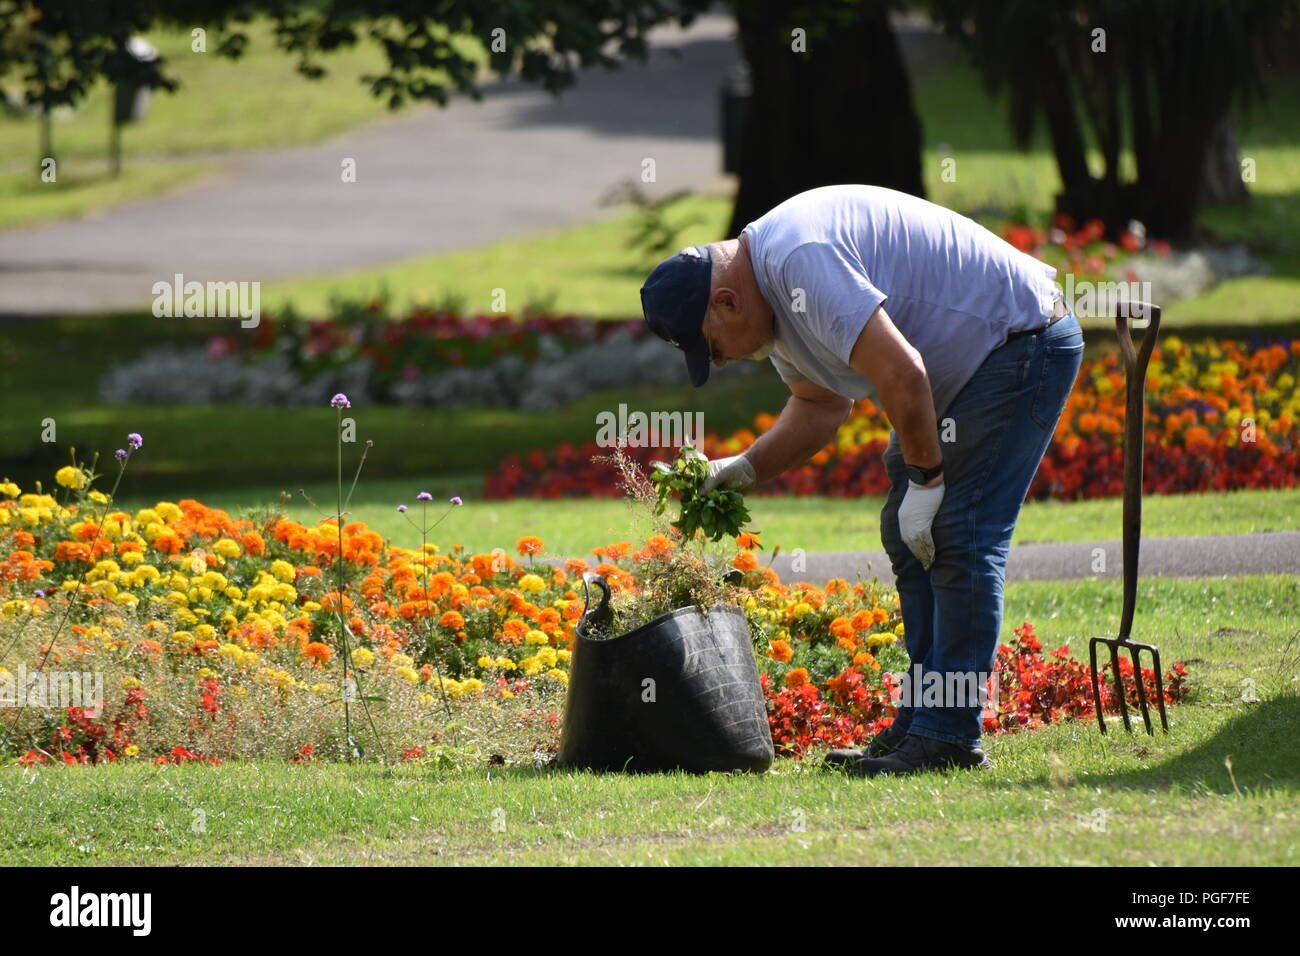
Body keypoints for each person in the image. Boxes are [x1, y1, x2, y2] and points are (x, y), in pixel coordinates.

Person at [638, 184, 1083, 776]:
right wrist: (743, 468)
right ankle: (923, 721)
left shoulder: (799, 261)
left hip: (1018, 341)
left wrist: (927, 483)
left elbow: (901, 370)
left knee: (959, 535)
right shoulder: (771, 302)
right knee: (907, 537)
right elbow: (820, 406)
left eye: (711, 348)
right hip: (973, 363)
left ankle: (947, 734)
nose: (718, 362)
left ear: (725, 302)